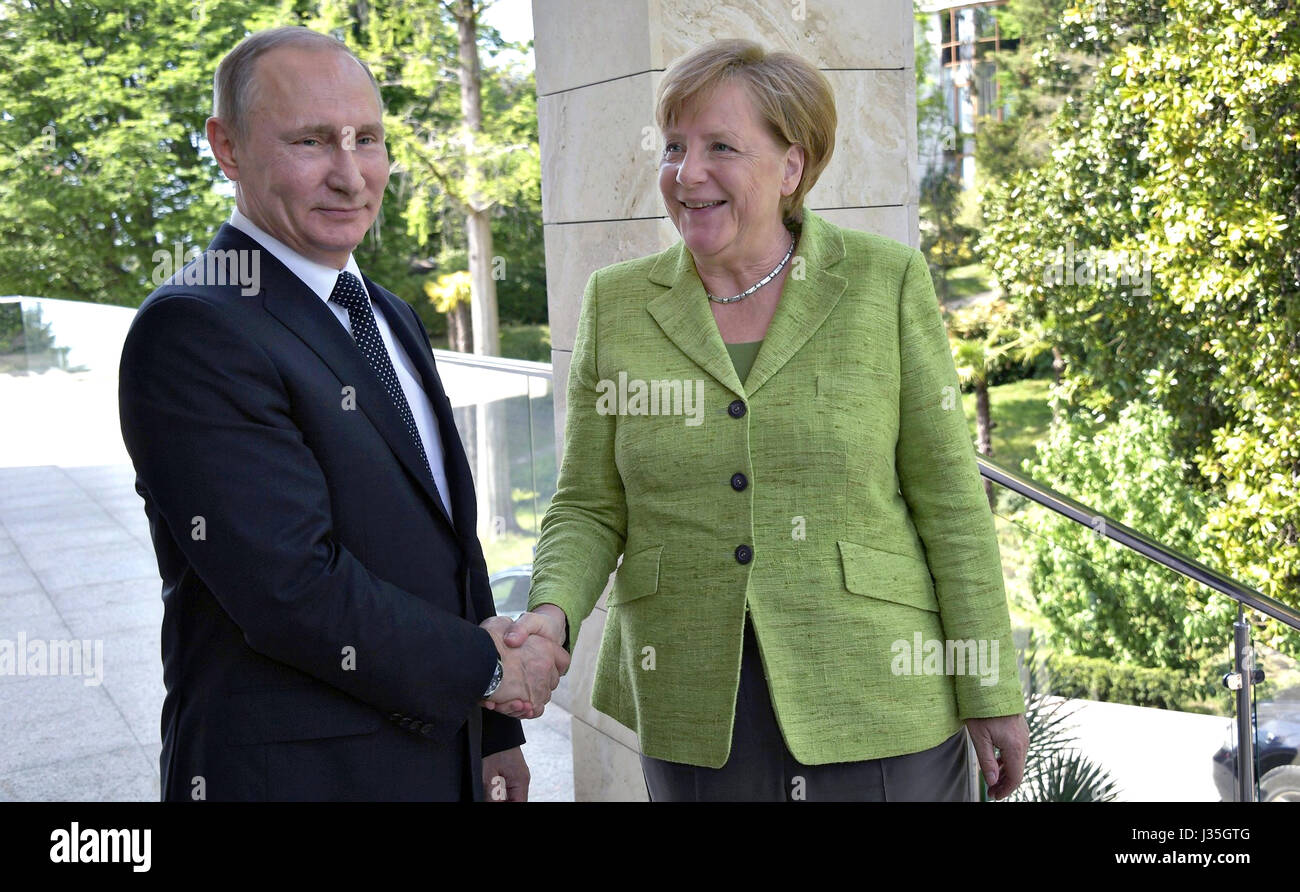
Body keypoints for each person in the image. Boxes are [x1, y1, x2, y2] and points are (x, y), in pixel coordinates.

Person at [509, 39, 1029, 801]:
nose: (688, 174)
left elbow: (950, 499)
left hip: (879, 693)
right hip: (693, 702)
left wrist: (989, 685)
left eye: (721, 146)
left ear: (792, 166)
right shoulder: (616, 303)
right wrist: (549, 616)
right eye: (675, 146)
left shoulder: (884, 284)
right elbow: (589, 501)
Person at [117, 26, 566, 802]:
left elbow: (446, 545)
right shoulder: (193, 329)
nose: (352, 175)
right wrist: (491, 668)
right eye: (312, 142)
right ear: (227, 148)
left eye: (368, 139)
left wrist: (493, 733)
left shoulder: (384, 312)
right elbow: (291, 589)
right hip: (297, 777)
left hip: (440, 756)